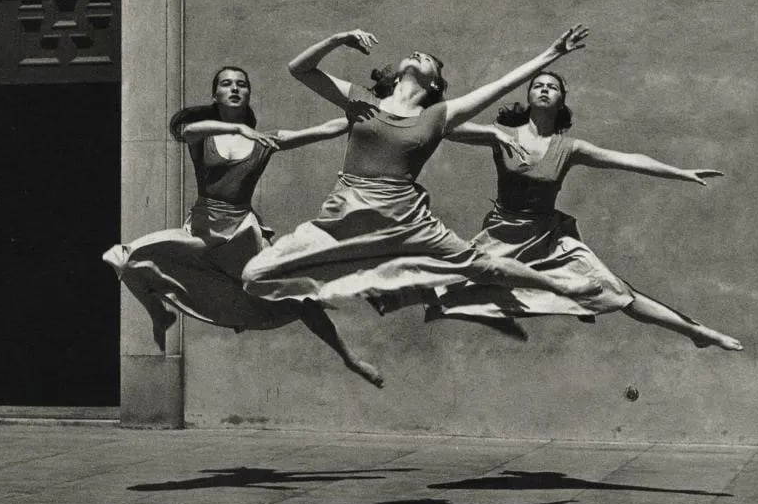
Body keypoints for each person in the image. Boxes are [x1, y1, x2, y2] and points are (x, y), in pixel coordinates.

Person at [241, 27, 604, 331]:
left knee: (482, 265)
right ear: (398, 75)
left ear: (434, 84)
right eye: (415, 54)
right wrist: (337, 40)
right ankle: (370, 280)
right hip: (344, 215)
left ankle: (562, 286)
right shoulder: (362, 101)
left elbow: (502, 84)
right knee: (255, 276)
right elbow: (300, 69)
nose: (418, 55)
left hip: (406, 220)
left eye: (428, 59)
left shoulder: (437, 116)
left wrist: (553, 53)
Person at [415, 70, 743, 350]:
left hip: (550, 238)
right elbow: (441, 126)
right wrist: (420, 95)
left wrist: (680, 172)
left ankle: (696, 332)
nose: (544, 89)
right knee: (442, 289)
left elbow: (628, 160)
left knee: (616, 290)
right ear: (529, 97)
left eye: (552, 87)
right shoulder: (500, 135)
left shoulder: (570, 148)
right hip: (503, 235)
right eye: (538, 86)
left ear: (561, 100)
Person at [103, 67, 381, 385]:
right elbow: (187, 130)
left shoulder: (265, 141)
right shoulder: (203, 136)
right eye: (226, 84)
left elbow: (325, 129)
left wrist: (364, 112)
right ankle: (160, 314)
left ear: (248, 94)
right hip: (204, 231)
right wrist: (238, 129)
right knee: (123, 257)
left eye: (241, 84)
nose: (235, 88)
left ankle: (351, 358)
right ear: (216, 95)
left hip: (243, 233)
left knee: (300, 298)